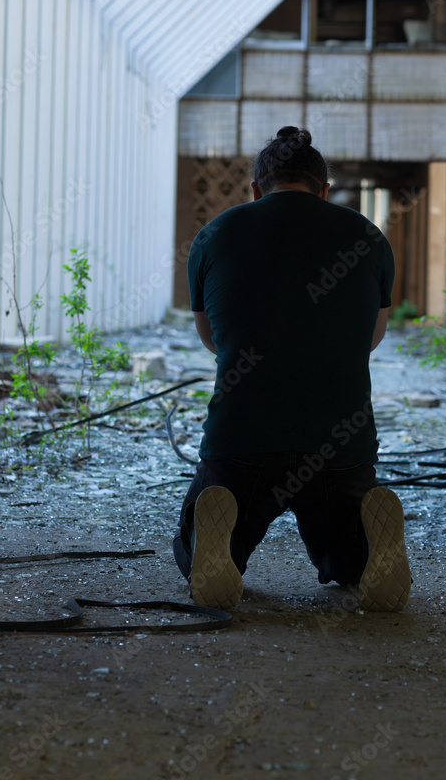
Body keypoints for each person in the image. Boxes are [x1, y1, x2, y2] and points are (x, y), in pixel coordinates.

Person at [173, 126, 411, 613]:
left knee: (196, 547)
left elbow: (213, 341)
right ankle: (366, 553)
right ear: (324, 189)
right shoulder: (368, 236)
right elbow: (371, 337)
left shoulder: (214, 234)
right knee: (343, 559)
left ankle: (214, 540)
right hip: (339, 444)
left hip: (240, 442)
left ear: (256, 188)